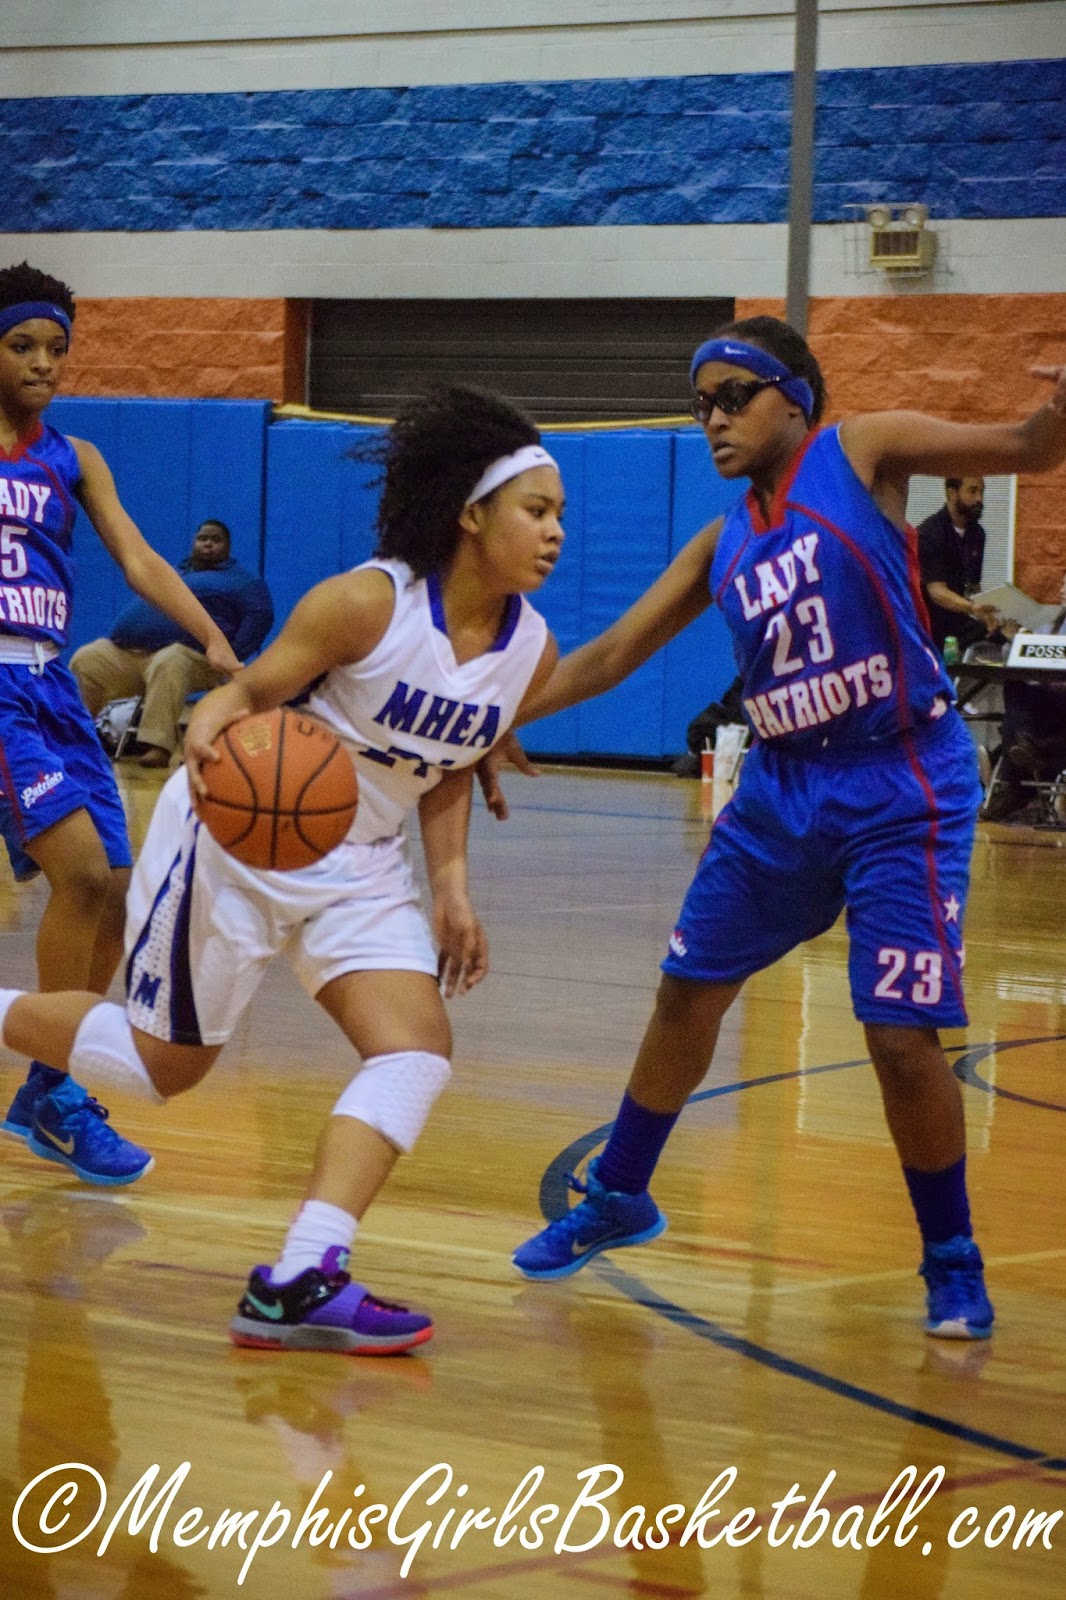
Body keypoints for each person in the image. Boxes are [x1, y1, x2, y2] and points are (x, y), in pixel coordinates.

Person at [506, 317, 1066, 1340]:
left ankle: (951, 1257)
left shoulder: (860, 451)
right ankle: (619, 1192)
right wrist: (494, 714)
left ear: (795, 397)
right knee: (686, 990)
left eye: (734, 397)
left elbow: (1028, 447)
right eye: (701, 406)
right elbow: (612, 652)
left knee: (899, 1037)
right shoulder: (722, 540)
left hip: (900, 776)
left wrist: (1057, 408)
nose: (714, 420)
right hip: (782, 786)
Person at [0, 385, 563, 1354]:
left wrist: (452, 888)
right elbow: (249, 691)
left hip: (361, 861)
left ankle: (300, 1276)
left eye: (559, 514)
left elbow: (446, 767)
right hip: (238, 841)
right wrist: (211, 726)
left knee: (414, 1049)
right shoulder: (367, 603)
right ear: (471, 515)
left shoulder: (531, 650)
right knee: (160, 1070)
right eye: (536, 510)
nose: (555, 532)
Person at [0, 261, 241, 1185]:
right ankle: (58, 1089)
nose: (43, 363)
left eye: (56, 348)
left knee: (114, 885)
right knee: (75, 873)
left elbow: (139, 559)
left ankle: (43, 1089)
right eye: (22, 345)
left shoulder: (75, 458)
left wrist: (211, 636)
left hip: (52, 684)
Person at [71, 518, 274, 768]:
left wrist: (232, 655)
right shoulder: (175, 574)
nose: (208, 544)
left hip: (196, 659)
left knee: (170, 659)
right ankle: (73, 734)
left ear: (228, 547)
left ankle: (157, 746)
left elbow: (261, 616)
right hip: (132, 654)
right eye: (202, 538)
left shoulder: (242, 582)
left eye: (216, 540)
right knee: (88, 658)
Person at [980, 569, 1066, 821]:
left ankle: (1015, 772)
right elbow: (1020, 659)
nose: (1061, 590)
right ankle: (1026, 748)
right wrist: (1014, 639)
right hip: (1046, 709)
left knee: (1027, 707)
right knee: (1016, 685)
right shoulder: (1051, 627)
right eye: (1062, 584)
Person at [917, 477, 999, 654]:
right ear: (952, 493)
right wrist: (972, 608)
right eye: (972, 491)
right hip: (930, 622)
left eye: (982, 492)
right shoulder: (930, 533)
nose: (979, 498)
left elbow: (973, 586)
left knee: (1001, 636)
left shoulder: (977, 533)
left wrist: (990, 612)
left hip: (959, 618)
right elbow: (936, 592)